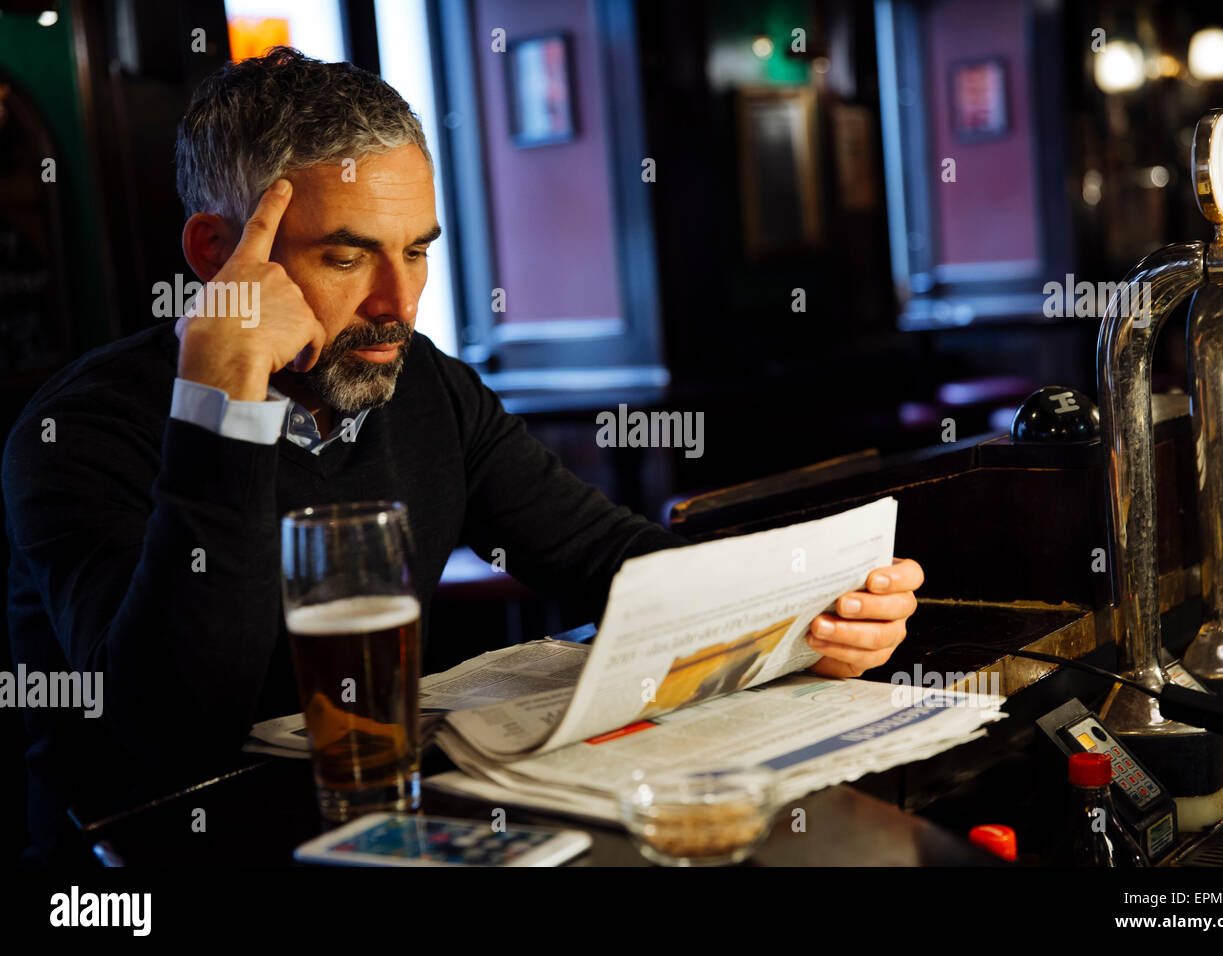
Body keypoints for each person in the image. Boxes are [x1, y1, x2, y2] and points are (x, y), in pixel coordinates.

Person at [2, 47, 923, 865]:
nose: (400, 303)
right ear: (216, 254)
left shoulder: (425, 387)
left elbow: (609, 560)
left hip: (379, 832)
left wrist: (812, 619)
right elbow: (174, 733)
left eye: (418, 252)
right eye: (347, 257)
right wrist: (221, 407)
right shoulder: (80, 432)